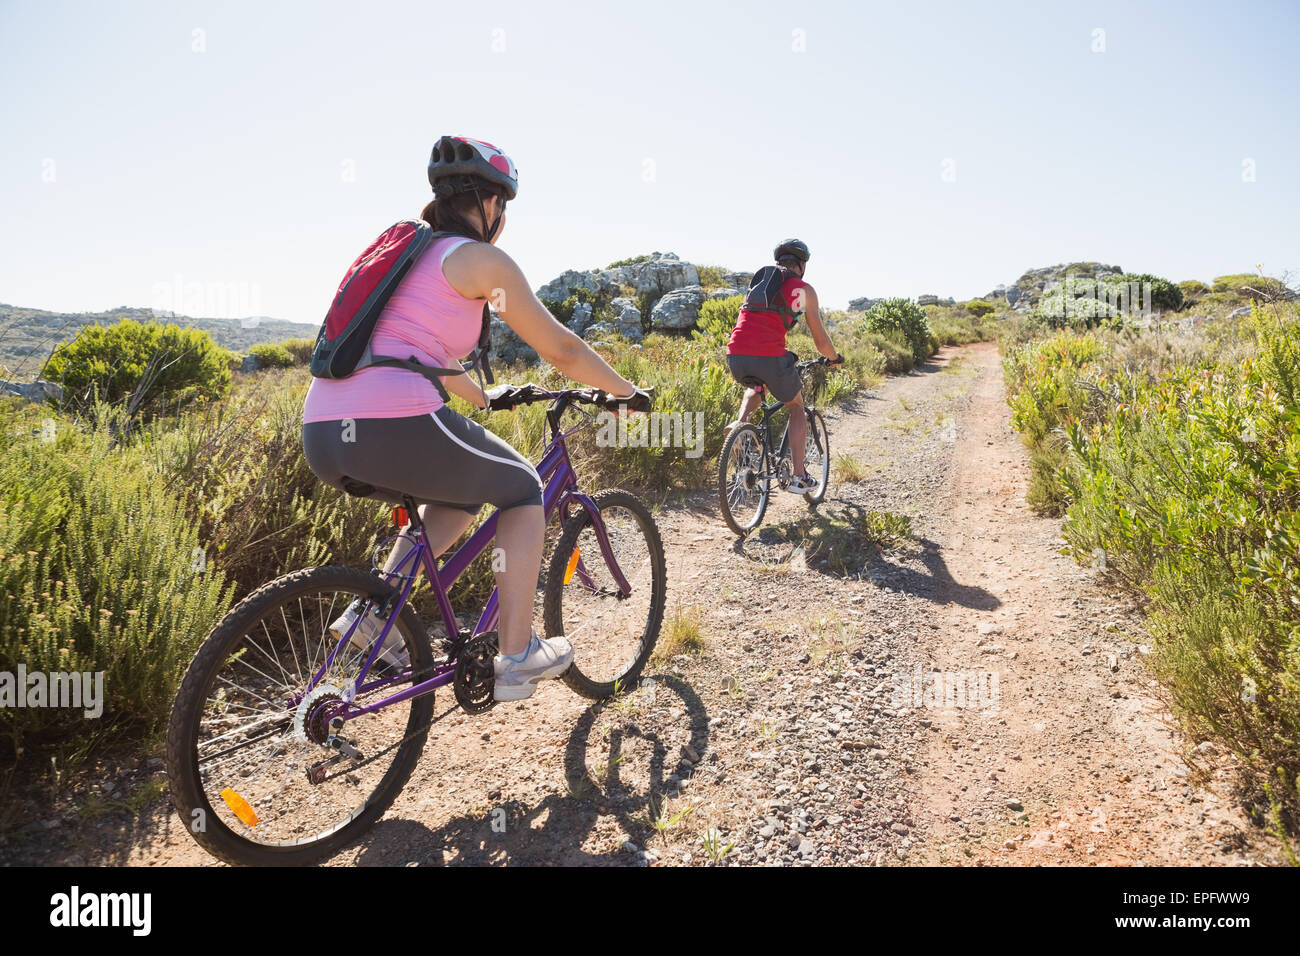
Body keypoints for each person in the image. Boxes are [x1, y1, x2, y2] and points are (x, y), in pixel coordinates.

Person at [301, 135, 649, 700]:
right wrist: (625, 391)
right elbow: (560, 349)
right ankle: (516, 654)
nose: (504, 219)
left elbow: (428, 357)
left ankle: (371, 617)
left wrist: (488, 398)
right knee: (521, 488)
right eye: (504, 206)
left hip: (324, 431)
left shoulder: (410, 257)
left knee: (460, 496)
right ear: (490, 205)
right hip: (392, 422)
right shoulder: (480, 261)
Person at [724, 239, 842, 493]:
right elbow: (821, 341)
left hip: (735, 354)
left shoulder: (760, 282)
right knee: (797, 407)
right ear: (802, 264)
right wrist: (834, 358)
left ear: (779, 261)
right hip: (769, 356)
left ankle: (739, 425)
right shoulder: (804, 290)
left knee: (758, 384)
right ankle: (799, 476)